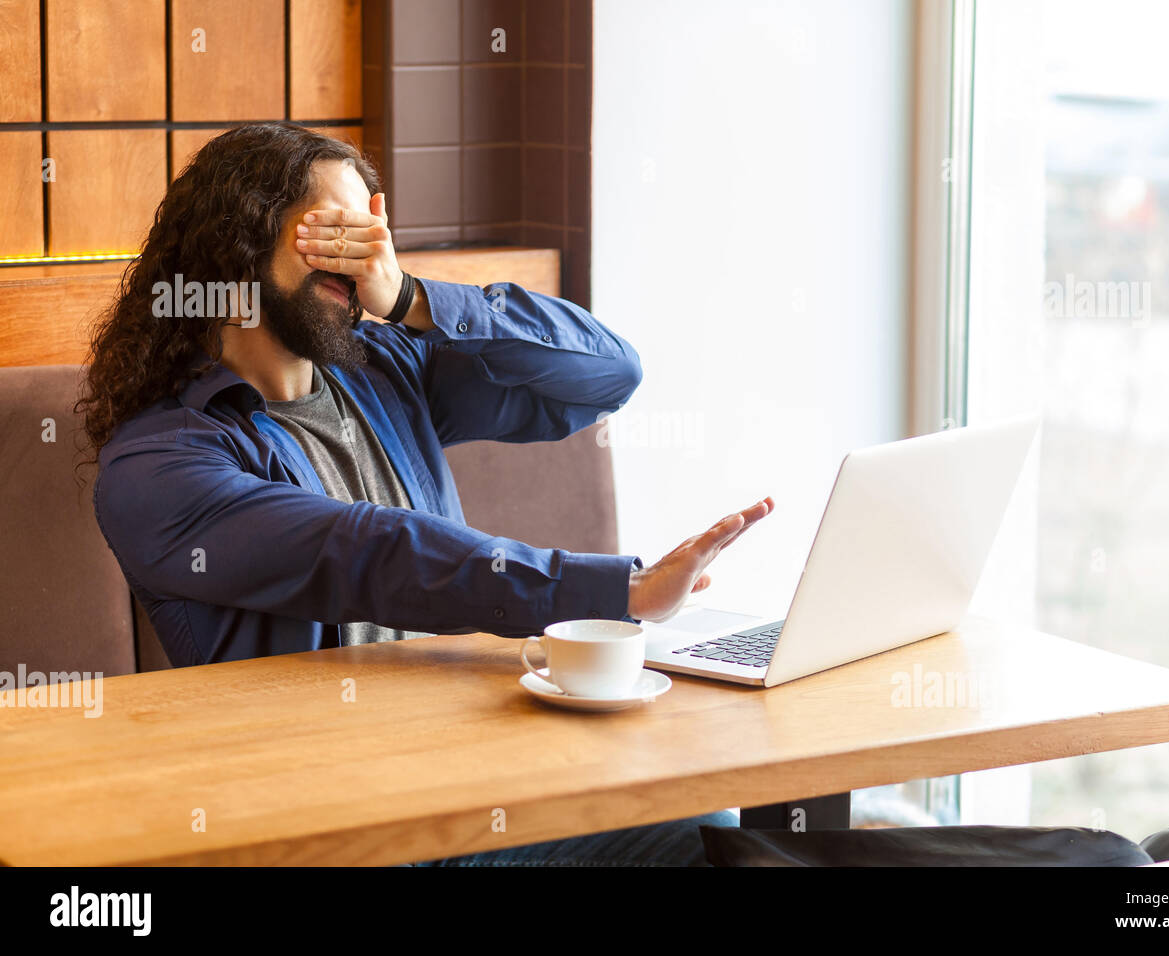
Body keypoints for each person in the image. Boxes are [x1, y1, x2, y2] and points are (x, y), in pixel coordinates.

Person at [78, 122, 772, 865]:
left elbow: (609, 375)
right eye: (337, 232)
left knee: (712, 831)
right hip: (335, 822)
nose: (365, 249)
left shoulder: (383, 369)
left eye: (373, 227)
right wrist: (618, 589)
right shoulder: (159, 465)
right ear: (237, 247)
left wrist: (410, 296)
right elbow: (370, 552)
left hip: (474, 766)